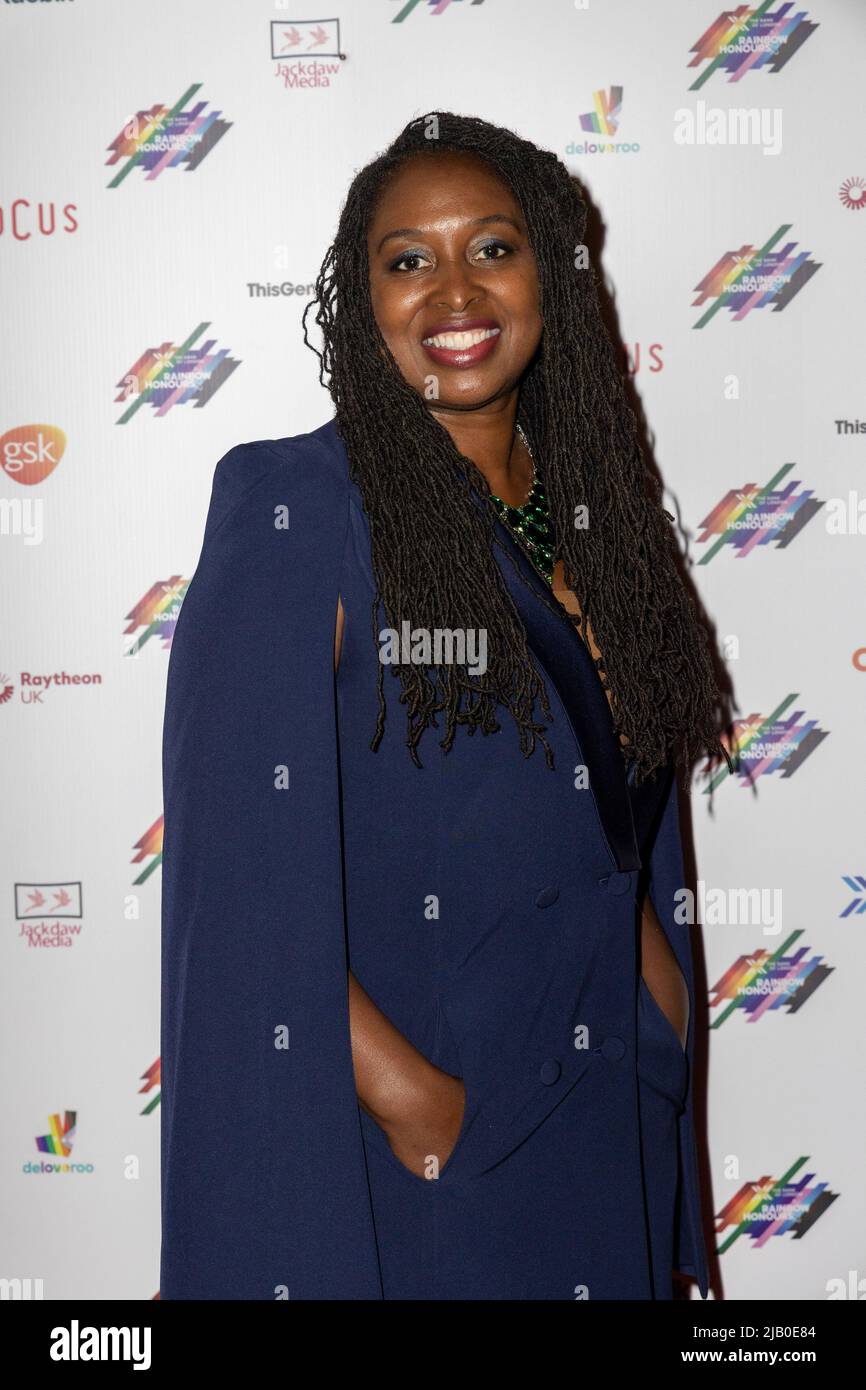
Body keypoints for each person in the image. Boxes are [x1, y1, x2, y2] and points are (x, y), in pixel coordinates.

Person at [159, 111, 731, 1301]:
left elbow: (617, 817)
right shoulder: (297, 510)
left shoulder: (599, 517)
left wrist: (660, 1017)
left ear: (549, 279)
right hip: (434, 1137)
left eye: (493, 247)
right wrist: (415, 1103)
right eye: (407, 259)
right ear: (359, 297)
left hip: (611, 1102)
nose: (452, 291)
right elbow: (240, 887)